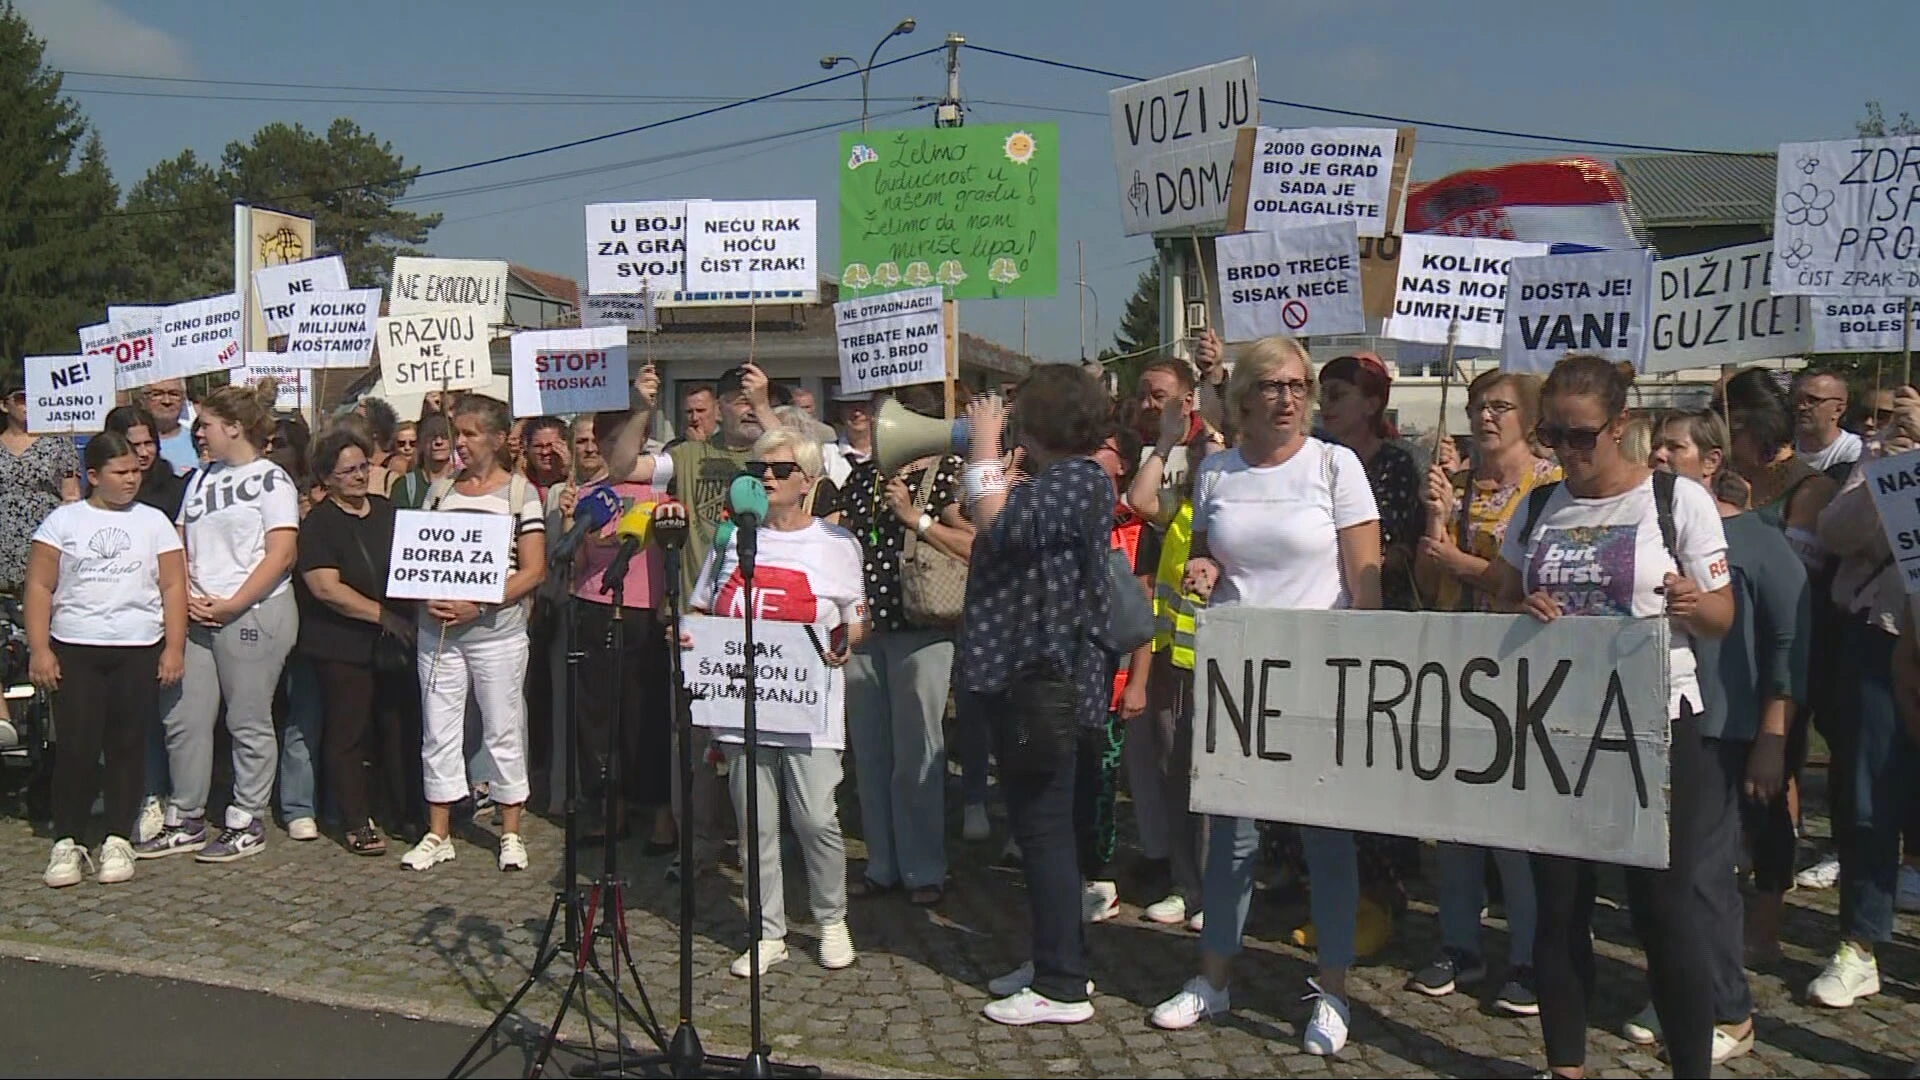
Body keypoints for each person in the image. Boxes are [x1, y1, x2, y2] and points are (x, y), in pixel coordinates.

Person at [1483, 355, 1734, 1080]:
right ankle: (1567, 1067)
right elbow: (1500, 588)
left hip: (1656, 722)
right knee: (1559, 907)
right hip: (1556, 727)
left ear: (1620, 425)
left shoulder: (1673, 500)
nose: (1566, 449)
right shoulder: (1538, 504)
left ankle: (1692, 1066)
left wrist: (1693, 601)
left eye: (1580, 435)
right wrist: (1517, 604)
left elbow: (1722, 616)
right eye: (1551, 434)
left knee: (1663, 908)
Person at [1148, 337, 1382, 1055]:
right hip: (1238, 677)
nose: (1287, 398)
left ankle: (1332, 991)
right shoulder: (1215, 471)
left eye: (1298, 385)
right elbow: (1206, 552)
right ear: (1244, 398)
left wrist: (1361, 669)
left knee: (1327, 840)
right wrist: (1207, 570)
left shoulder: (1336, 466)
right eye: (1272, 386)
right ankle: (1214, 976)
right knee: (1231, 840)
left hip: (1319, 675)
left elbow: (1364, 578)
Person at [1640, 408, 1808, 1064]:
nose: (1658, 458)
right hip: (1661, 720)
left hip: (1722, 725)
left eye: (1673, 448)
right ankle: (1685, 989)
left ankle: (1731, 1010)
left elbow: (1788, 646)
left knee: (1706, 870)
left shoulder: (1763, 543)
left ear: (1710, 462)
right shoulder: (1648, 532)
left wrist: (1773, 736)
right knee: (1664, 868)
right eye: (1653, 447)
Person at [962, 366, 1120, 1026]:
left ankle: (1062, 984)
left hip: (1043, 683)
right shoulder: (1056, 484)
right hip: (1024, 678)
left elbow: (1000, 528)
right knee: (1036, 829)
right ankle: (1055, 956)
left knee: (1047, 832)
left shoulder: (1081, 481)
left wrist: (983, 448)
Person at [688, 427, 867, 976]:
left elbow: (856, 622)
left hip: (808, 709)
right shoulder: (730, 541)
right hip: (744, 704)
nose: (766, 476)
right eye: (758, 468)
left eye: (780, 469)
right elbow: (703, 608)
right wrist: (692, 638)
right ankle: (767, 931)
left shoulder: (837, 546)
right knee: (755, 822)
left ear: (808, 481)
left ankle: (830, 918)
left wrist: (844, 642)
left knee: (815, 818)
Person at [1411, 369, 1556, 1016]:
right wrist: (1436, 516)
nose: (1486, 417)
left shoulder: (1548, 488)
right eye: (1478, 406)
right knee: (1456, 820)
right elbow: (1423, 577)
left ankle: (1530, 955)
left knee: (1517, 829)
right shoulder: (1458, 485)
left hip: (1518, 667)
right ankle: (1459, 944)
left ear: (1527, 417)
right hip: (1451, 663)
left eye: (1500, 407)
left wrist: (1465, 566)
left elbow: (1535, 580)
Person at [137, 380, 301, 863]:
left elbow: (282, 553)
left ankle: (247, 817)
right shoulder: (201, 478)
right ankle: (185, 816)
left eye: (206, 424)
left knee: (247, 718)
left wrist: (233, 603)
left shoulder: (272, 479)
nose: (199, 432)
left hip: (254, 611)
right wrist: (185, 593)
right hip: (198, 615)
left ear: (234, 427)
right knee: (184, 717)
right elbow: (180, 540)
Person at [25, 432, 187, 887]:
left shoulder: (154, 522)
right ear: (93, 476)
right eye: (119, 473)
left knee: (127, 744)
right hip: (76, 646)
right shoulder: (63, 522)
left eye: (136, 470)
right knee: (76, 745)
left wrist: (174, 647)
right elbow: (40, 586)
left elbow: (173, 587)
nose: (130, 479)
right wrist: (40, 649)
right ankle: (68, 839)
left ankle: (119, 835)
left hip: (137, 648)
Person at [1803, 383, 1920, 1010]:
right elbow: (1838, 534)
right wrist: (1892, 470)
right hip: (1882, 637)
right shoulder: (1880, 451)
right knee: (1868, 794)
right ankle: (1862, 944)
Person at [399, 394, 546, 873]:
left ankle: (509, 832)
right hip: (437, 634)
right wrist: (426, 598)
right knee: (438, 732)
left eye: (469, 433)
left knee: (503, 731)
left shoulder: (520, 494)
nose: (458, 442)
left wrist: (479, 603)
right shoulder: (439, 492)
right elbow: (416, 559)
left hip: (496, 635)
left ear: (498, 439)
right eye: (455, 433)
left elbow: (533, 570)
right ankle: (437, 832)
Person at [840, 384, 964, 907]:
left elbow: (974, 541)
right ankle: (883, 862)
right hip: (868, 633)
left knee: (918, 755)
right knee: (871, 756)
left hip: (923, 629)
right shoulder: (863, 478)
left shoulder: (948, 478)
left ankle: (924, 868)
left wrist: (916, 515)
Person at [1125, 353, 1226, 931]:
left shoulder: (1228, 488)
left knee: (1206, 778)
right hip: (1170, 653)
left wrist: (1208, 405)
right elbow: (1141, 502)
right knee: (1171, 769)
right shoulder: (1182, 505)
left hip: (1214, 656)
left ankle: (1213, 887)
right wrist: (1163, 444)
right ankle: (1187, 884)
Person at [297, 427, 421, 854]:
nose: (358, 476)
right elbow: (326, 588)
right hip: (342, 644)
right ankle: (354, 819)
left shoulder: (387, 512)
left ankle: (406, 811)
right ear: (327, 478)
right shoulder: (318, 525)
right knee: (348, 732)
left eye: (363, 466)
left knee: (399, 726)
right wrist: (382, 616)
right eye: (347, 470)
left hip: (396, 641)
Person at [567, 412, 674, 849]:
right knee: (599, 716)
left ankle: (661, 814)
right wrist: (570, 530)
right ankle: (610, 808)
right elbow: (575, 566)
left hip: (646, 610)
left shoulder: (661, 486)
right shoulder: (587, 495)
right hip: (594, 605)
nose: (596, 448)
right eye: (589, 442)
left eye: (604, 439)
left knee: (647, 716)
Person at [0, 374, 80, 597]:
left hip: (45, 536)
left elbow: (71, 493)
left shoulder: (57, 443)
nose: (28, 403)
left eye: (33, 397)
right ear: (4, 405)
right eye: (21, 398)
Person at [104, 404, 186, 518]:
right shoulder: (103, 491)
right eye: (135, 445)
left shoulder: (177, 490)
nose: (144, 453)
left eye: (148, 443)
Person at [1793, 371, 1862, 479]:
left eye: (1812, 401)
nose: (1801, 407)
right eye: (1798, 399)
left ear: (1838, 409)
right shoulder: (1782, 447)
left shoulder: (1855, 452)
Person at [391, 414, 456, 510]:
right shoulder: (405, 486)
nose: (438, 442)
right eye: (431, 436)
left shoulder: (464, 483)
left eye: (445, 436)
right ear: (419, 442)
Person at [141, 379, 196, 475]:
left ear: (183, 399)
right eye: (157, 394)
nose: (167, 401)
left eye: (174, 394)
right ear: (143, 399)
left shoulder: (198, 440)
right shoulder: (131, 442)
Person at [523, 415, 571, 500]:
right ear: (527, 448)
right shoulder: (520, 487)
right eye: (538, 446)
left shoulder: (578, 483)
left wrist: (569, 471)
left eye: (550, 445)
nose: (544, 452)